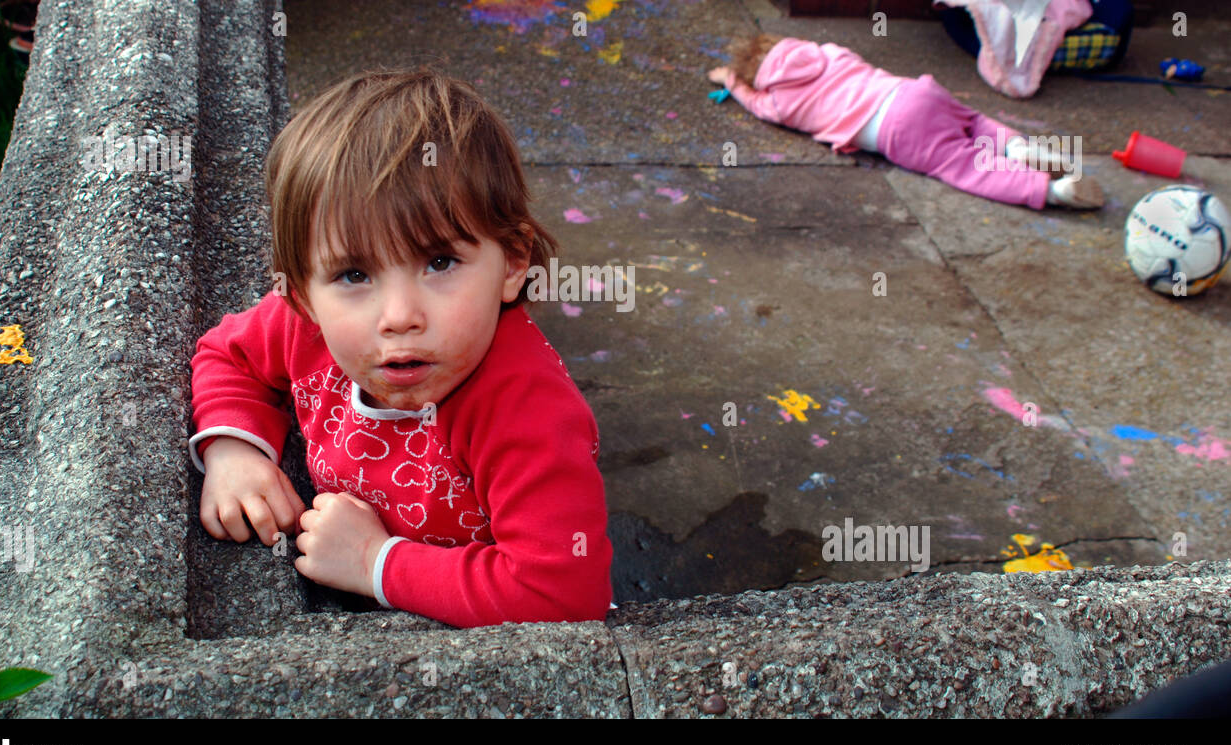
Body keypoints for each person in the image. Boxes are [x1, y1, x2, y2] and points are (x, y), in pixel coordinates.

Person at [188, 68, 614, 629]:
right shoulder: (305, 325)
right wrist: (233, 452)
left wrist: (375, 562)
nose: (399, 317)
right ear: (301, 295)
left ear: (512, 262)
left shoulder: (526, 410)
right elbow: (226, 355)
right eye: (353, 274)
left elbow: (563, 593)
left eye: (440, 262)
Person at [708, 33, 1104, 211]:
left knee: (963, 164)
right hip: (916, 92)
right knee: (975, 123)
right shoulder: (828, 52)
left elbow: (754, 103)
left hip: (892, 128)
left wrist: (730, 79)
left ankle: (1052, 192)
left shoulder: (778, 100)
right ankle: (1018, 147)